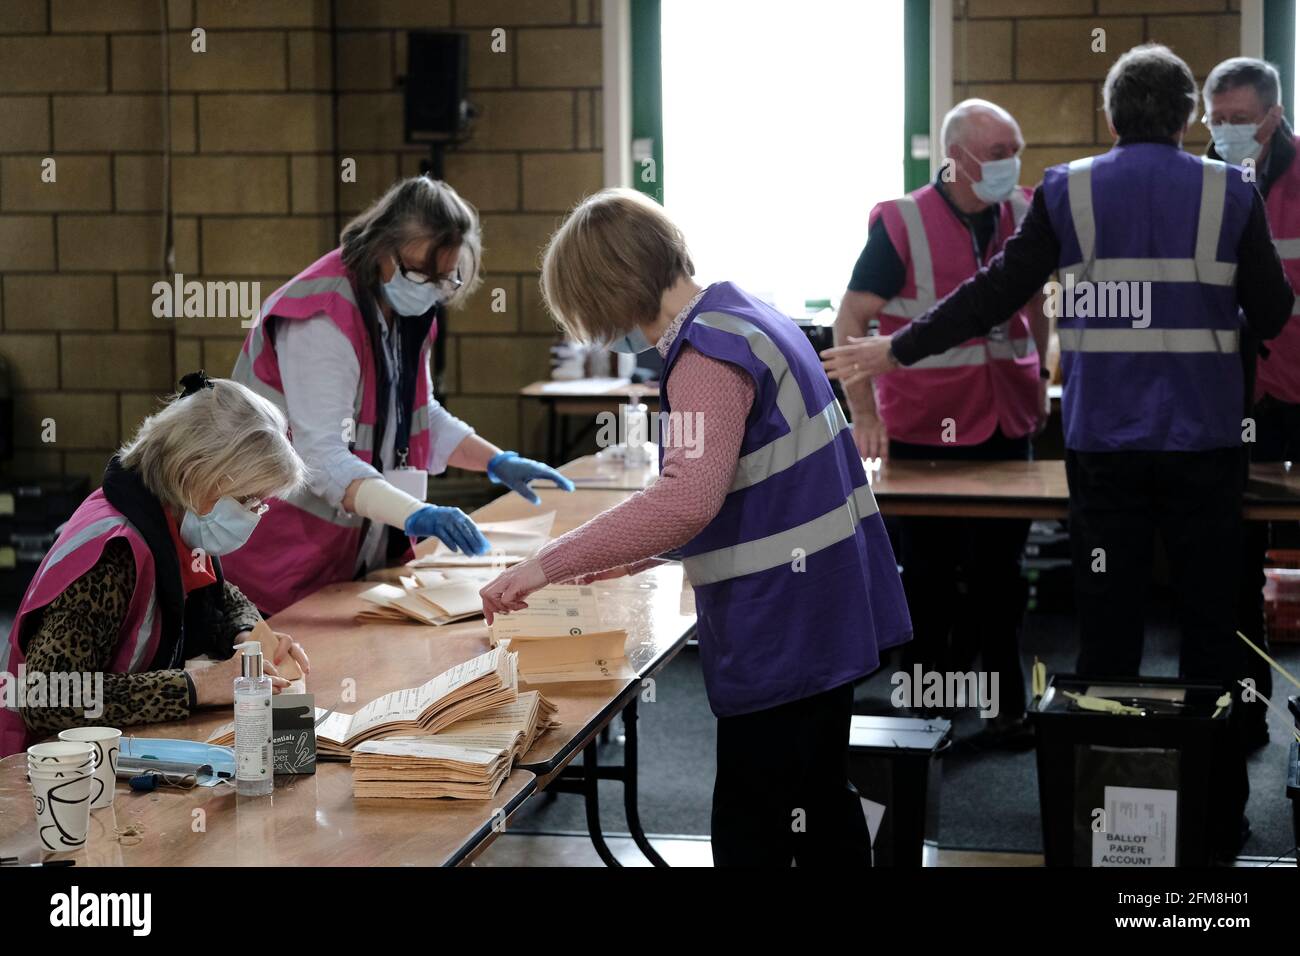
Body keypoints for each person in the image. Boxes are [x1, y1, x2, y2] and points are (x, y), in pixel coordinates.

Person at [821, 44, 1295, 859]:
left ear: (1111, 117)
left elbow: (991, 297)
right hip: (1205, 449)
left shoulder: (1069, 190)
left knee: (1106, 638)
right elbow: (1275, 311)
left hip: (1106, 450)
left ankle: (1108, 820)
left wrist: (895, 350)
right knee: (1211, 636)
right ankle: (1212, 824)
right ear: (1188, 118)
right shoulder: (1231, 190)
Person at [479, 188, 911, 867]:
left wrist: (546, 565)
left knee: (754, 823)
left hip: (784, 619)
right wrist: (627, 554)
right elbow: (749, 482)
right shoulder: (744, 313)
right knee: (820, 797)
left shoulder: (704, 355)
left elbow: (688, 498)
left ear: (615, 288)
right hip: (827, 600)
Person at [225, 176, 574, 614]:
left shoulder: (405, 310)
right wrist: (414, 513)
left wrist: (495, 461)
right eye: (418, 273)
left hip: (346, 549)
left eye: (443, 280)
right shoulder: (323, 317)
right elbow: (321, 458)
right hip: (284, 550)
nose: (430, 289)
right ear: (381, 248)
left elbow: (420, 413)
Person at [835, 98, 1049, 746]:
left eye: (1016, 151)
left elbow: (1037, 308)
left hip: (1008, 421)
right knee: (930, 581)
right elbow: (850, 323)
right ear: (955, 158)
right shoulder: (902, 223)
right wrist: (864, 415)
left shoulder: (1027, 212)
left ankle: (1008, 708)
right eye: (997, 154)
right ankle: (930, 713)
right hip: (928, 430)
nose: (1012, 165)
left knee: (1002, 577)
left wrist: (1042, 376)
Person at [0, 374, 309, 757]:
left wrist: (248, 635)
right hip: (49, 775)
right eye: (246, 499)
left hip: (111, 754)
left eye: (260, 503)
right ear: (193, 473)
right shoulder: (114, 554)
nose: (252, 514)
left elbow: (215, 594)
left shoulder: (172, 517)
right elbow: (45, 696)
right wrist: (197, 686)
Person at [1204, 56, 1299, 751]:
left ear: (1273, 115)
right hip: (1229, 400)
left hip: (1299, 395)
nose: (1226, 133)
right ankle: (1245, 708)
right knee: (1231, 565)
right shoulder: (1201, 182)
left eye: (1239, 121)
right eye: (1216, 121)